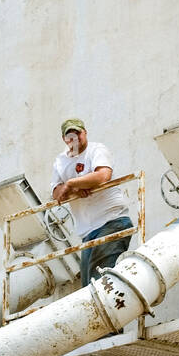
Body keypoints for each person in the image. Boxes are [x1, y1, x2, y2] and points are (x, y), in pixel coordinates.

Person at [51, 119, 132, 286]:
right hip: (88, 232)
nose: (75, 138)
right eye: (70, 135)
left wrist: (72, 183)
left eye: (78, 133)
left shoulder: (97, 150)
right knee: (88, 287)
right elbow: (57, 194)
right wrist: (74, 189)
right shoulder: (60, 161)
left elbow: (102, 175)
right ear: (64, 139)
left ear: (85, 132)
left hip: (112, 221)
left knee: (99, 283)